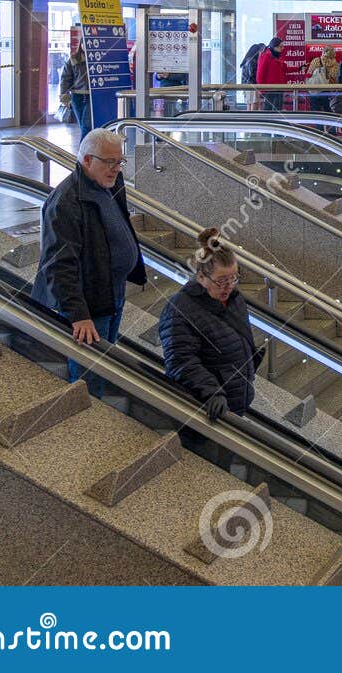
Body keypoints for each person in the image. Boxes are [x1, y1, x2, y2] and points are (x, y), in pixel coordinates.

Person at [31, 129, 147, 390]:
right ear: (86, 160)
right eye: (109, 162)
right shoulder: (65, 202)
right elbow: (59, 265)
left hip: (112, 293)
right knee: (90, 376)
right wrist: (78, 315)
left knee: (108, 366)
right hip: (89, 306)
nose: (116, 169)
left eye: (120, 162)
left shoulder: (109, 183)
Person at [159, 228, 259, 424]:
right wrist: (212, 392)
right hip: (206, 405)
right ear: (201, 277)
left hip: (235, 398)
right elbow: (181, 361)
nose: (229, 286)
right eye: (222, 280)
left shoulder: (234, 299)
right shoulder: (179, 309)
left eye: (233, 278)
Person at [58, 43, 90, 134]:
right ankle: (87, 146)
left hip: (91, 96)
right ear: (81, 44)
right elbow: (65, 78)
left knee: (86, 125)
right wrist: (64, 95)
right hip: (77, 96)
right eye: (84, 43)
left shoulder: (98, 58)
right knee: (81, 124)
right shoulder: (74, 59)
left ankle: (84, 147)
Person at [254, 36, 288, 111]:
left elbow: (285, 69)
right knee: (269, 110)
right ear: (274, 47)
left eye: (283, 46)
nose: (282, 48)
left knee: (277, 110)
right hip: (269, 89)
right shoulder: (265, 56)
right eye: (280, 46)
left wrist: (300, 68)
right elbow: (260, 75)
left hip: (278, 88)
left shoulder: (278, 56)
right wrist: (262, 90)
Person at [305, 47, 339, 115]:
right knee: (328, 110)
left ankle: (319, 125)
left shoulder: (316, 60)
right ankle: (331, 125)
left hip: (314, 90)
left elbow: (309, 74)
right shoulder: (335, 63)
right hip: (327, 91)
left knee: (316, 112)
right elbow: (334, 77)